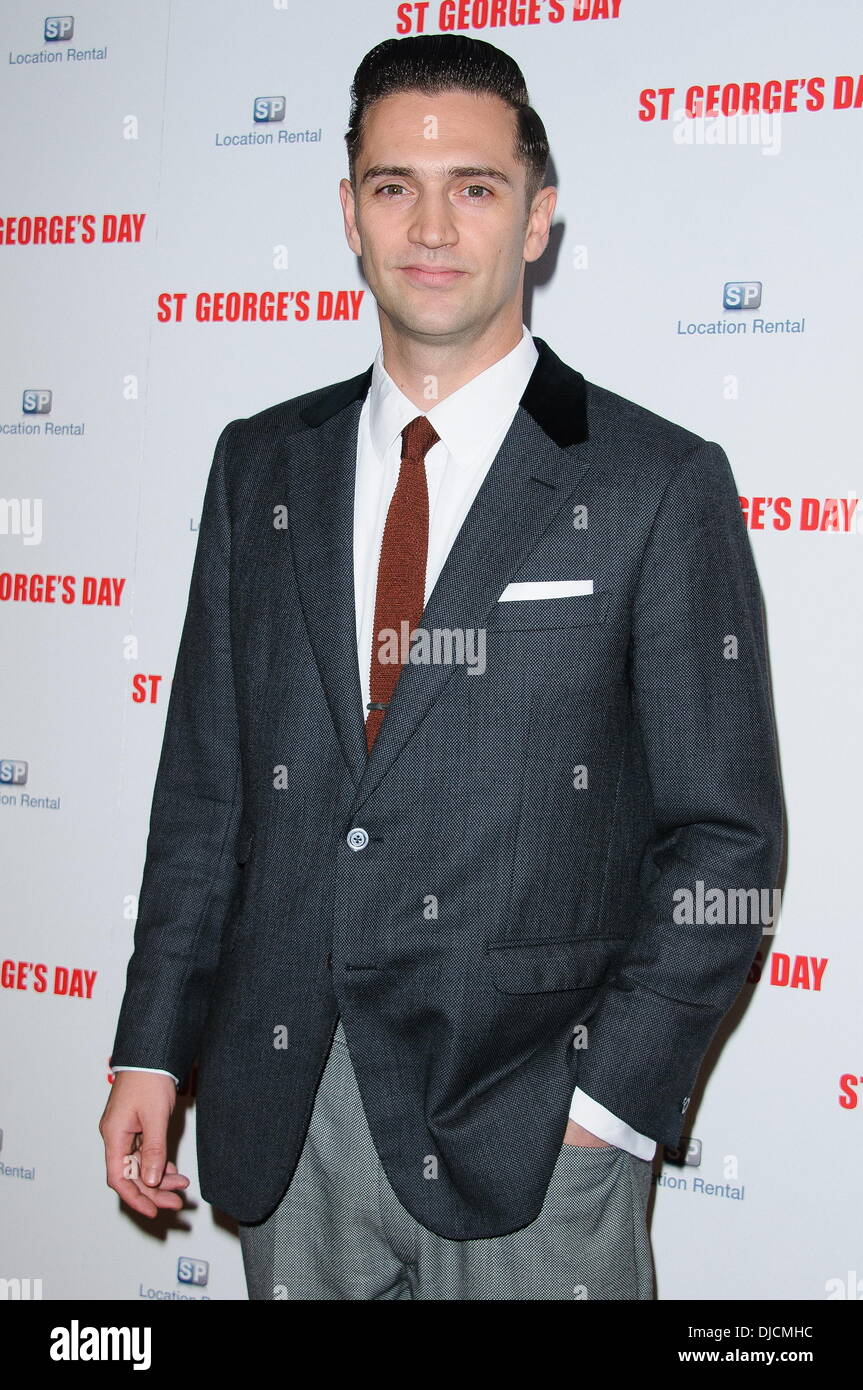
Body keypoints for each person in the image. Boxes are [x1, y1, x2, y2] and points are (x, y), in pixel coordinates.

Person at [100, 32, 783, 1300]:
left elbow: (726, 842)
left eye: (472, 185)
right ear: (347, 215)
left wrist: (607, 1104)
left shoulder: (648, 480)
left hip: (529, 1129)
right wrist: (151, 1048)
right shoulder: (261, 467)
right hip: (284, 1113)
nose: (430, 224)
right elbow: (203, 795)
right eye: (391, 185)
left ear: (537, 218)